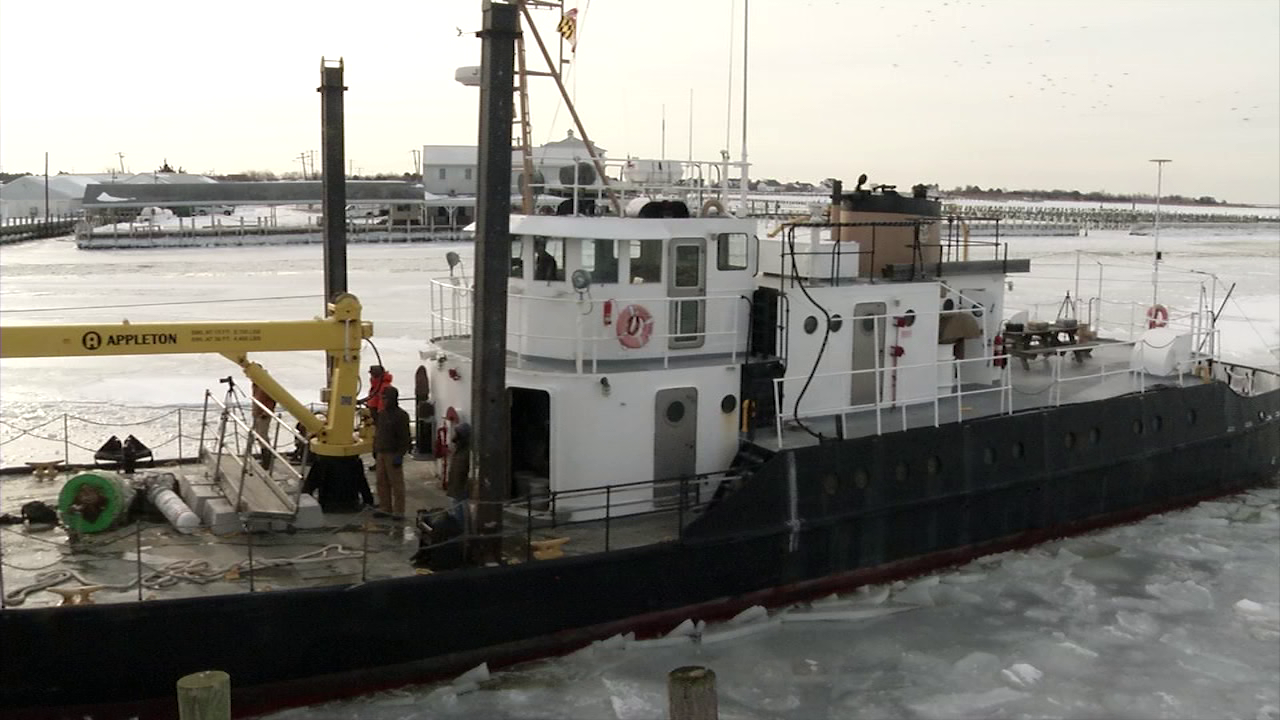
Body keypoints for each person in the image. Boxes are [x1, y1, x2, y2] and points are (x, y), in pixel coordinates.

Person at [373, 385, 412, 518]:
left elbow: (405, 437)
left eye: (385, 398)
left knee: (396, 483)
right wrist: (375, 448)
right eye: (382, 398)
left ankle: (399, 511)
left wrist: (400, 454)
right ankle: (385, 507)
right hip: (381, 452)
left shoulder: (401, 416)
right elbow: (378, 433)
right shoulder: (382, 414)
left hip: (393, 453)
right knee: (381, 482)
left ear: (393, 399)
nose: (383, 401)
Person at [445, 422, 472, 527]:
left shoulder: (467, 452)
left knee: (461, 515)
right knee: (456, 512)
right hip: (455, 488)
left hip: (462, 490)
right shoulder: (458, 450)